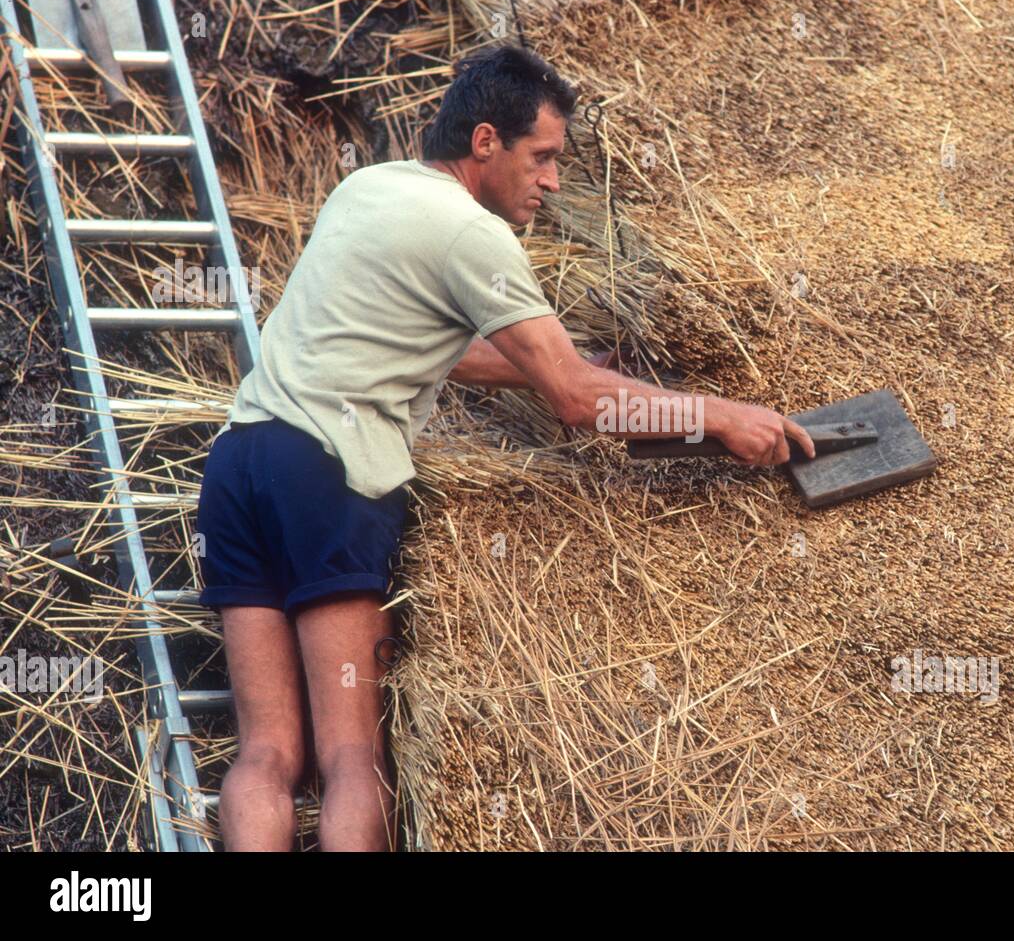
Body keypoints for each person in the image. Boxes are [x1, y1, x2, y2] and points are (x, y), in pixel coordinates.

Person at [195, 43, 813, 851]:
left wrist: (561, 368)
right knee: (351, 754)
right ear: (485, 142)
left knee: (269, 752)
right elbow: (577, 401)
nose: (553, 181)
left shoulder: (370, 188)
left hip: (241, 462)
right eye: (544, 157)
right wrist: (722, 416)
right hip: (328, 474)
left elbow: (432, 347)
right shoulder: (472, 236)